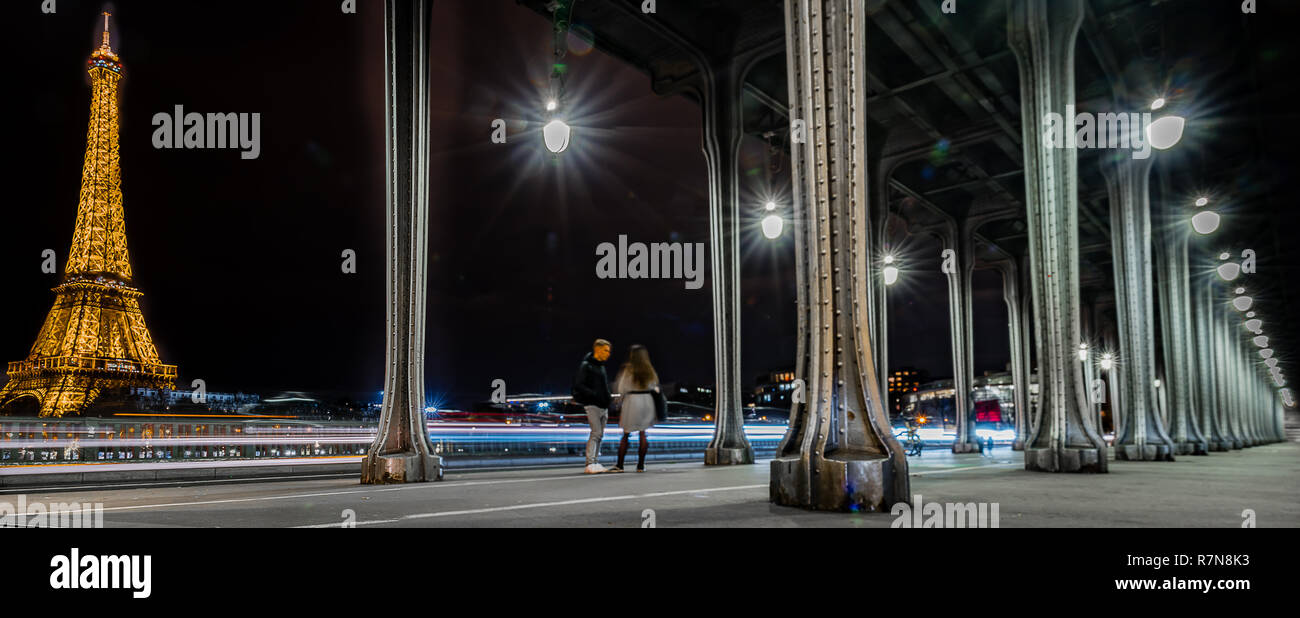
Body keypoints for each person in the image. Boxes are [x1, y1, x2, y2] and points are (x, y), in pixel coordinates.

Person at [609, 345, 659, 473]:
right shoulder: (650, 370)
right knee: (643, 433)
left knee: (626, 434)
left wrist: (618, 402)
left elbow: (622, 388)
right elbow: (655, 386)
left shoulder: (628, 370)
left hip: (632, 401)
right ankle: (641, 465)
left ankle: (620, 465)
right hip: (647, 401)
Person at [572, 339, 613, 474]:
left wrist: (607, 399)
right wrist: (594, 395)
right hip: (592, 404)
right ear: (598, 349)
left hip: (603, 405)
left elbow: (604, 387)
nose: (608, 354)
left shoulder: (601, 367)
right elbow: (579, 384)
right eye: (606, 350)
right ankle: (590, 464)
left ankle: (595, 462)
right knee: (596, 433)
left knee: (600, 435)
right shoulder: (586, 365)